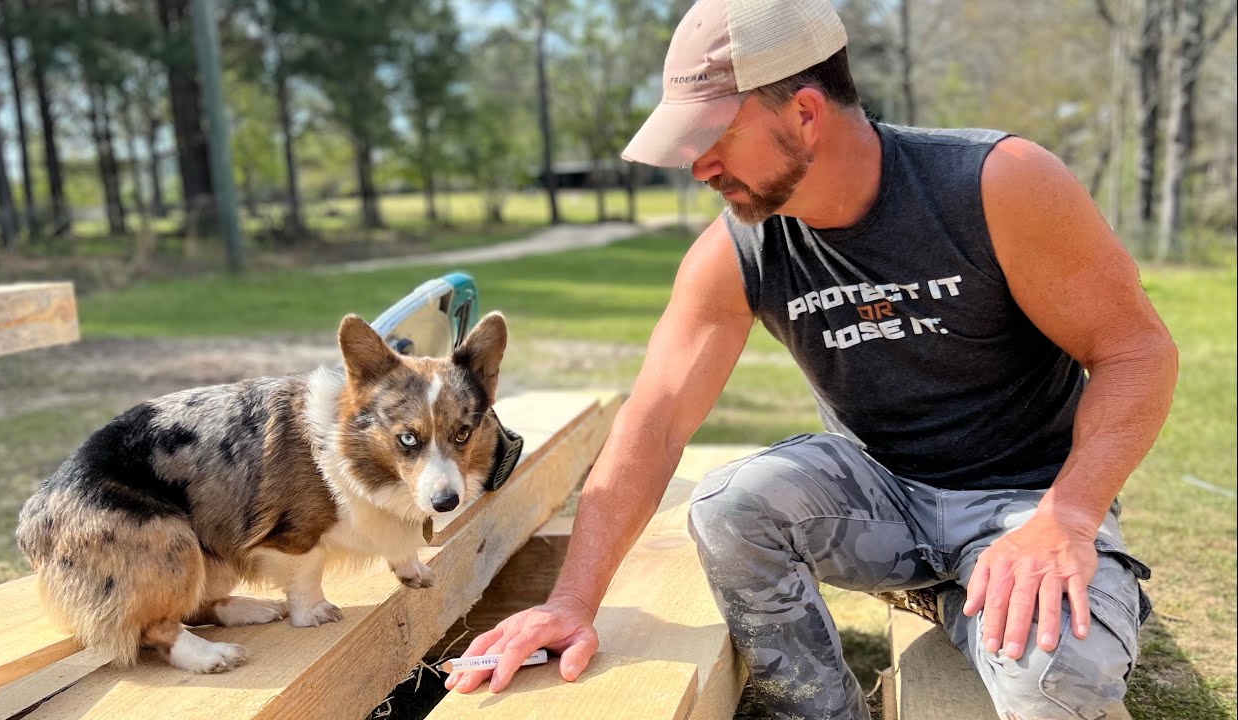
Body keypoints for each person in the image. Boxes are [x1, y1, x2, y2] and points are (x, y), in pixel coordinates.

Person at [444, 0, 1178, 717]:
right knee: (731, 505)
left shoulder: (994, 184)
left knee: (1057, 681)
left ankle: (975, 590)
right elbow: (657, 419)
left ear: (803, 112)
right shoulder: (736, 251)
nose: (699, 167)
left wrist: (1070, 518)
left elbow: (1135, 351)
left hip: (1025, 501)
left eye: (715, 136)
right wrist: (571, 602)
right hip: (882, 501)